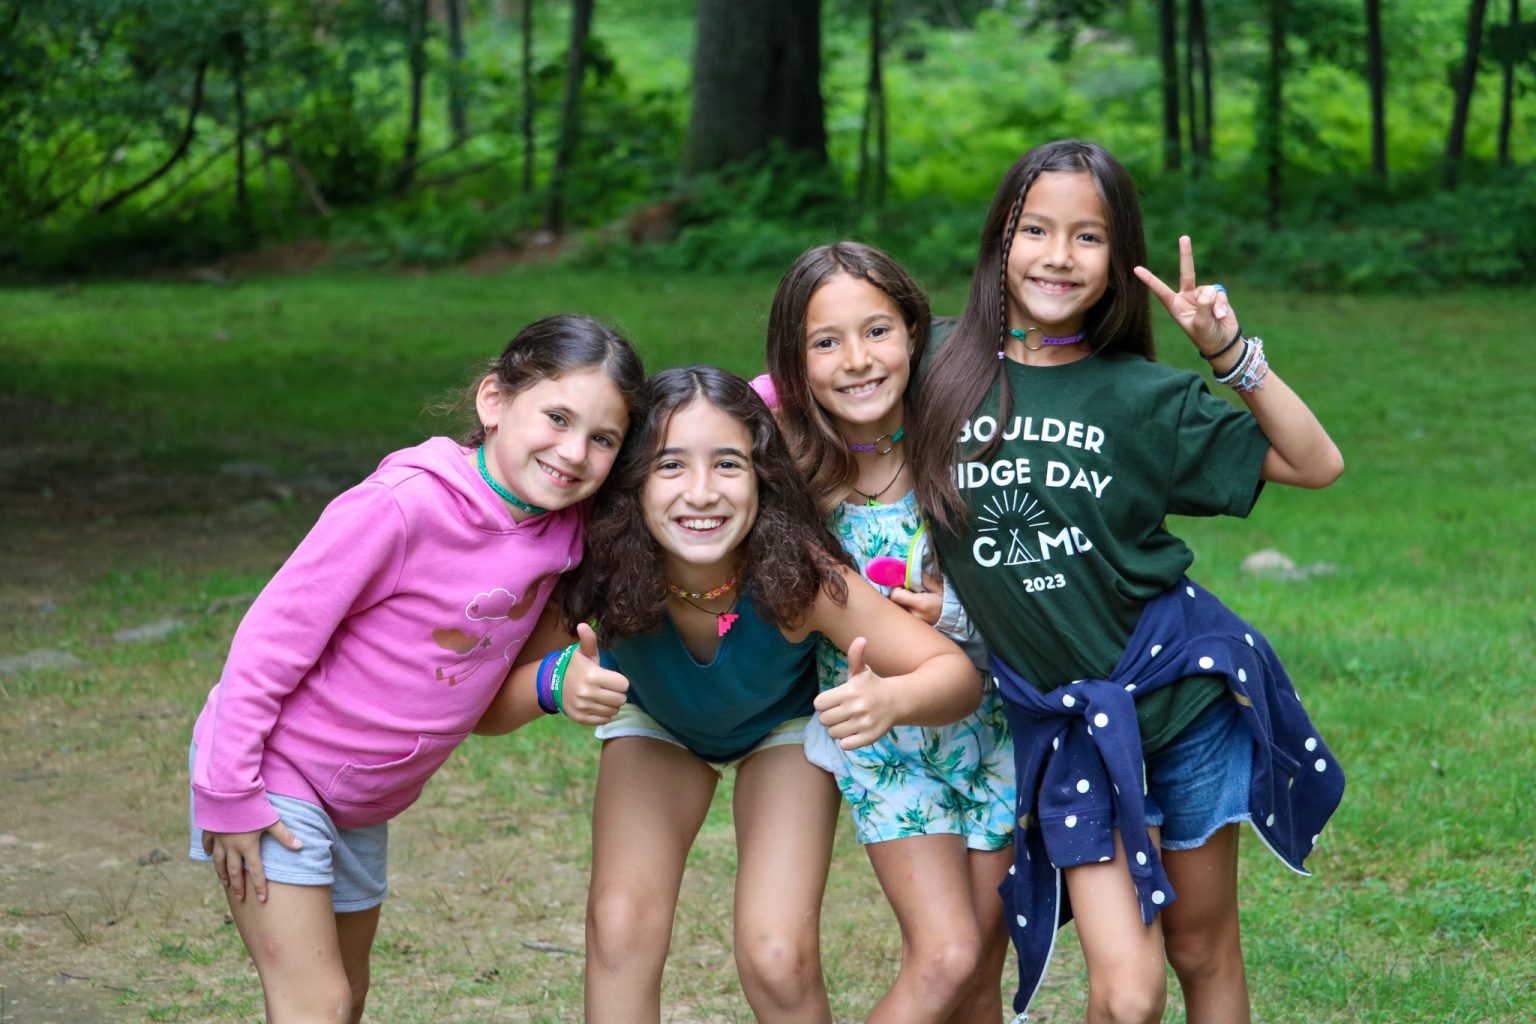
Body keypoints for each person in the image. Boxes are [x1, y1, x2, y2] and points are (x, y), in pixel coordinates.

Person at [904, 139, 1347, 1024]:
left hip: (1183, 704)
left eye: (1088, 237)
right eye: (1035, 229)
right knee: (1129, 994)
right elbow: (808, 390)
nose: (1058, 256)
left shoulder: (1147, 398)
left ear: (1119, 259)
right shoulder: (934, 366)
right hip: (1077, 723)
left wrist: (1228, 352)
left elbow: (1315, 461)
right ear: (1000, 239)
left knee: (1199, 945)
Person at [479, 365, 983, 1024]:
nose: (700, 493)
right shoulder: (599, 566)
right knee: (619, 924)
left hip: (782, 730)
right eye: (669, 466)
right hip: (656, 724)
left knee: (776, 954)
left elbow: (954, 674)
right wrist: (553, 681)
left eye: (727, 465)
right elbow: (484, 711)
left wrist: (892, 701)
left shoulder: (801, 574)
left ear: (762, 479)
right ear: (631, 484)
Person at [187, 314, 645, 1024]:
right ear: (493, 401)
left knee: (350, 994)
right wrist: (228, 790)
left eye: (602, 438)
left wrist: (797, 390)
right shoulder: (402, 507)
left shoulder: (566, 529)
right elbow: (268, 642)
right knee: (318, 1003)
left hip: (365, 802)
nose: (574, 451)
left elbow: (702, 417)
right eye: (556, 417)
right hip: (274, 774)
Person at [762, 241, 1016, 1023]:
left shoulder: (971, 443)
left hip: (1000, 727)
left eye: (877, 331)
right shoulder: (794, 475)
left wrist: (956, 614)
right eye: (826, 342)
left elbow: (1020, 580)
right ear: (795, 366)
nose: (857, 360)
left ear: (914, 333)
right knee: (946, 956)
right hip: (881, 740)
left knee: (979, 979)